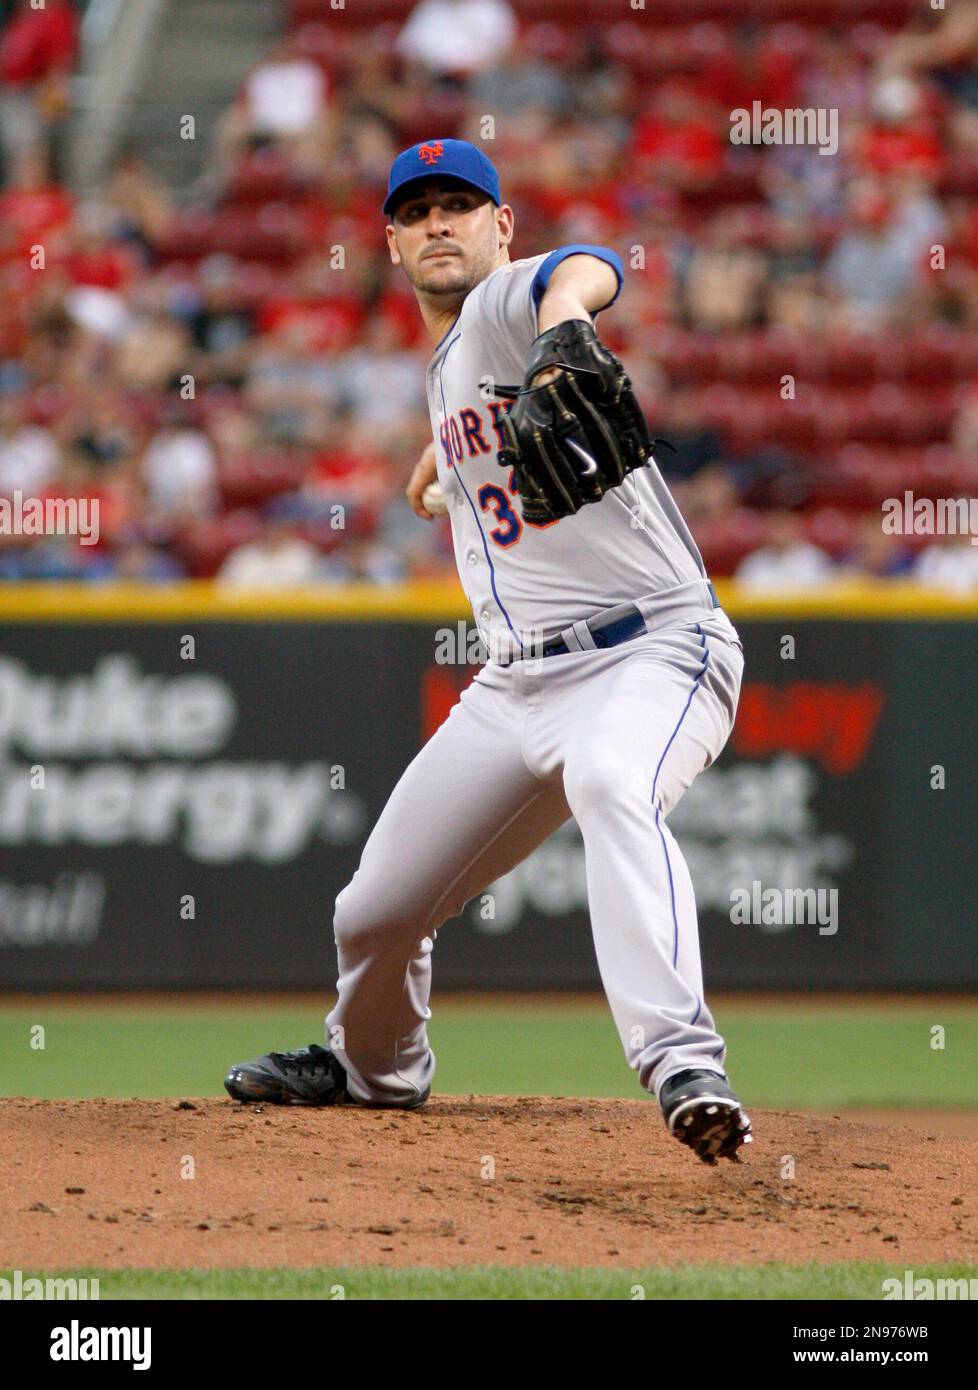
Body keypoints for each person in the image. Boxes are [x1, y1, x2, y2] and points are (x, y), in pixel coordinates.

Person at [225, 139, 752, 1165]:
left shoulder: (513, 300)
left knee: (611, 781)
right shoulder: (444, 363)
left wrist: (565, 328)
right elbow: (480, 410)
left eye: (459, 205)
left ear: (500, 226)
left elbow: (590, 265)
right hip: (518, 683)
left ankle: (685, 1062)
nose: (437, 224)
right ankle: (375, 1068)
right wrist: (441, 460)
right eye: (415, 210)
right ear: (388, 240)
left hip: (653, 648)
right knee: (374, 909)